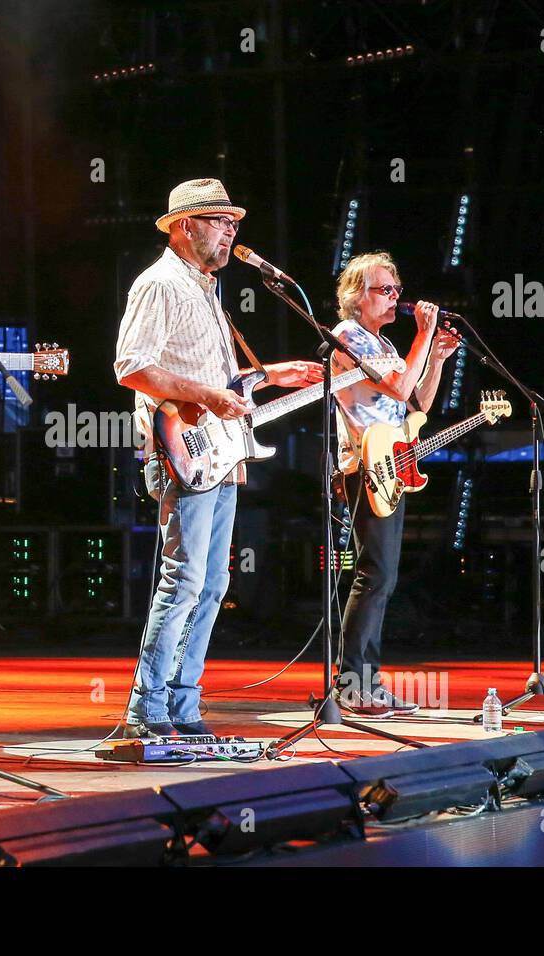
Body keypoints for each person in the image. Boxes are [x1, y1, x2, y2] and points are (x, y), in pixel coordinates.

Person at [114, 178, 324, 738]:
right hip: (183, 450)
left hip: (218, 453)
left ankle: (183, 705)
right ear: (184, 225)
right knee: (183, 582)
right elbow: (131, 366)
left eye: (234, 221)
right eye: (218, 220)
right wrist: (207, 396)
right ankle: (147, 709)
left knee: (210, 587)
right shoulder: (159, 285)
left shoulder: (205, 287)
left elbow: (215, 378)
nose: (231, 230)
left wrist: (271, 375)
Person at [330, 252, 459, 716]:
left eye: (396, 290)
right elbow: (401, 389)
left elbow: (417, 402)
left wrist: (438, 357)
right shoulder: (348, 337)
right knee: (375, 573)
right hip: (365, 464)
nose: (395, 298)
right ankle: (351, 683)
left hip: (390, 460)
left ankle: (366, 681)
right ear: (356, 297)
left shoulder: (382, 345)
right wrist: (423, 335)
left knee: (383, 576)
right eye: (384, 290)